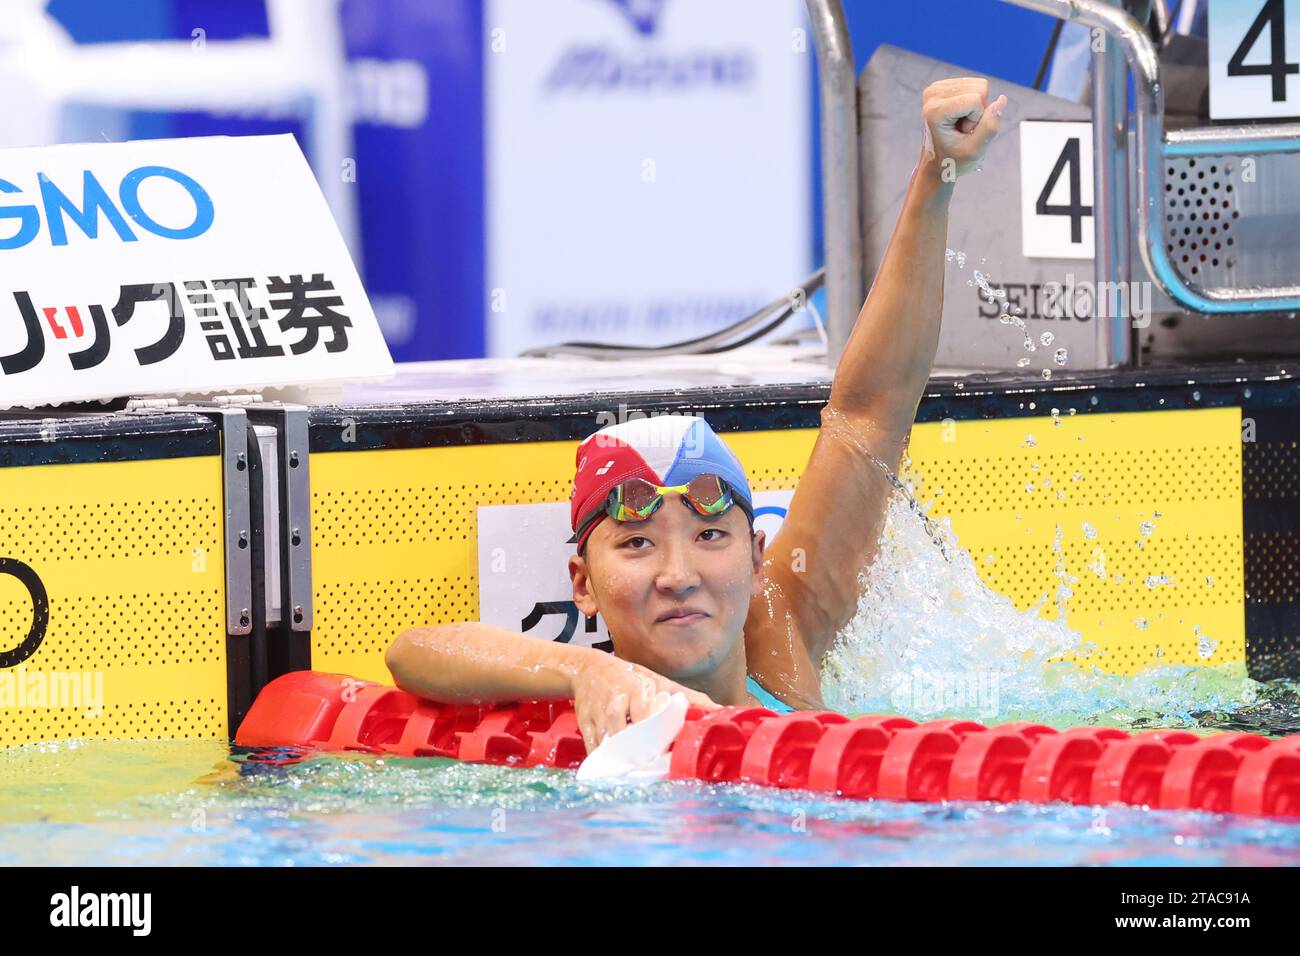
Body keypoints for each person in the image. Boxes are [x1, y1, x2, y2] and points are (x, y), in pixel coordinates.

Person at [386, 78, 1008, 752]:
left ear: (758, 558)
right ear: (582, 584)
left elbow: (872, 409)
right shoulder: (578, 700)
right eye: (636, 543)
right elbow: (411, 651)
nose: (678, 575)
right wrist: (583, 668)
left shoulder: (780, 647)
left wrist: (935, 178)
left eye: (710, 535)